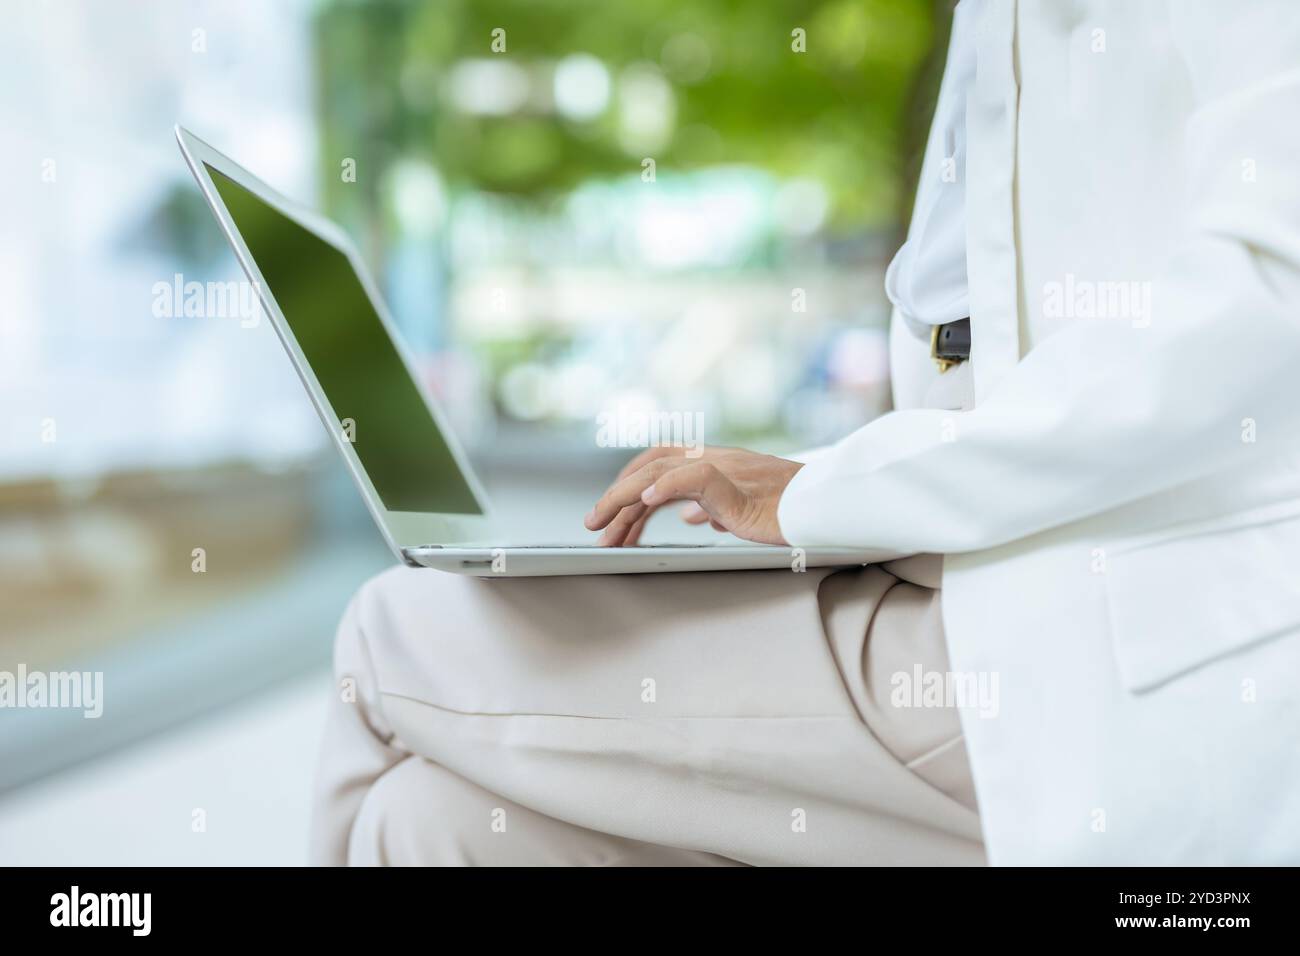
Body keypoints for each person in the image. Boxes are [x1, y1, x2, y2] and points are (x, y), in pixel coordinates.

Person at [310, 0, 1300, 865]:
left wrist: (823, 494)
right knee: (432, 825)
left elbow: (1271, 294)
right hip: (992, 580)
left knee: (395, 627)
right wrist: (821, 480)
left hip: (1129, 637)